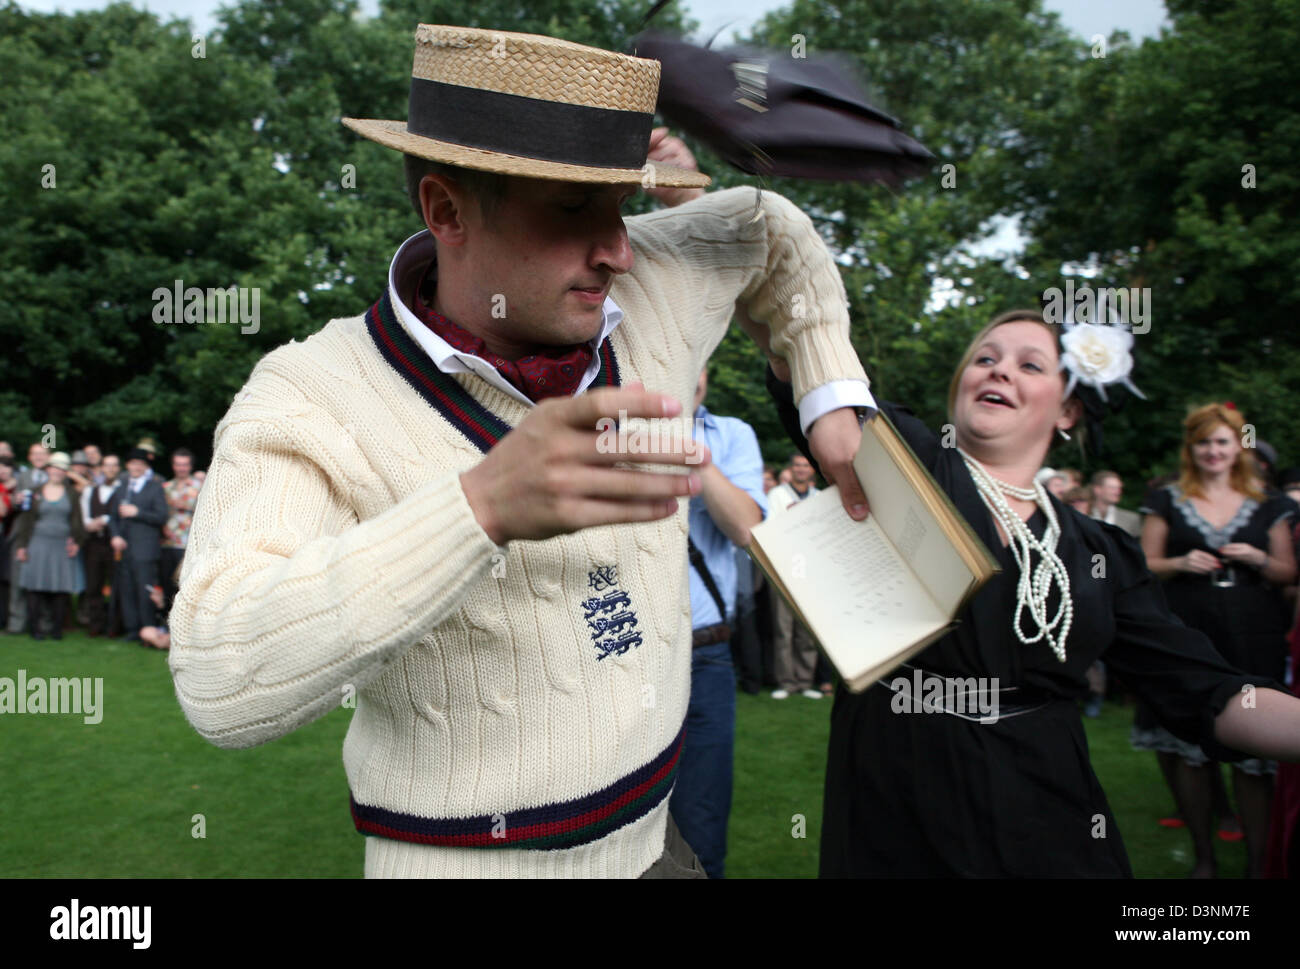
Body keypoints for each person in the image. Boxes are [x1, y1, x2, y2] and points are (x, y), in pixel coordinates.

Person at [168, 24, 873, 880]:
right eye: (574, 208)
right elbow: (217, 678)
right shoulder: (309, 393)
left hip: (661, 845)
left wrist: (831, 395)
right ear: (446, 209)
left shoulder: (650, 287)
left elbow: (772, 230)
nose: (618, 247)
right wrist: (479, 508)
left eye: (621, 202)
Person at [767, 309, 1300, 877]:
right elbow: (800, 351)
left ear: (1068, 408)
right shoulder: (908, 467)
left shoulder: (1102, 550)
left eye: (1030, 364)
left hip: (1045, 799)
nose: (1000, 373)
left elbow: (1205, 689)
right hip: (898, 782)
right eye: (985, 358)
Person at [1135, 402, 1296, 877]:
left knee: (1254, 758)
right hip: (1189, 629)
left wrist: (1257, 558)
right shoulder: (1167, 499)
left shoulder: (1271, 504)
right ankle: (1203, 857)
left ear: (1238, 446)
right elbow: (1145, 562)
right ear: (1192, 447)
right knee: (1192, 747)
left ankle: (1255, 865)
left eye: (1222, 441)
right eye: (1203, 441)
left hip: (1254, 632)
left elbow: (1289, 571)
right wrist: (1180, 565)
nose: (1213, 450)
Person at [673, 368, 766, 878]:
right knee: (607, 829)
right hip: (620, 658)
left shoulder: (731, 435)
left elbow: (749, 531)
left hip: (703, 660)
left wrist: (687, 447)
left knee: (699, 831)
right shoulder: (608, 428)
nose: (688, 366)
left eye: (697, 354)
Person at [767, 453, 823, 699]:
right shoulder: (778, 495)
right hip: (784, 566)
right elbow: (770, 527)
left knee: (807, 630)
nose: (801, 469)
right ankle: (786, 682)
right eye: (798, 465)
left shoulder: (819, 497)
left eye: (806, 465)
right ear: (792, 468)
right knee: (783, 628)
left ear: (812, 470)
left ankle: (804, 681)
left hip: (811, 570)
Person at [13, 452, 86, 640]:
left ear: (66, 472)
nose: (57, 471)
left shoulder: (71, 493)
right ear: (48, 469)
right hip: (37, 542)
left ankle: (57, 630)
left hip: (62, 544)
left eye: (62, 468)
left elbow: (77, 520)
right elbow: (26, 520)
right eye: (54, 467)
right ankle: (36, 630)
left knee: (61, 588)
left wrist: (76, 541)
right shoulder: (35, 491)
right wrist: (22, 546)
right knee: (34, 586)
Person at [109, 448, 168, 643]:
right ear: (128, 466)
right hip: (125, 549)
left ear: (145, 467)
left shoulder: (155, 487)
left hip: (146, 549)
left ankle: (148, 629)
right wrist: (116, 536)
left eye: (140, 464)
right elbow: (113, 517)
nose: (136, 467)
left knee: (145, 591)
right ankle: (132, 630)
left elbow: (161, 516)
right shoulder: (122, 486)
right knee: (127, 590)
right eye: (133, 463)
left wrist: (138, 512)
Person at [80, 453, 122, 638]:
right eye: (107, 465)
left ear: (118, 468)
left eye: (114, 465)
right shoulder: (91, 491)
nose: (110, 469)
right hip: (94, 543)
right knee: (93, 585)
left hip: (114, 544)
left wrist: (105, 520)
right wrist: (91, 524)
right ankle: (95, 624)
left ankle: (114, 626)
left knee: (116, 585)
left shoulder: (123, 489)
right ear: (102, 468)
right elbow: (84, 515)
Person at [160, 447, 200, 615]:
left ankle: (185, 619)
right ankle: (166, 620)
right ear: (173, 466)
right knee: (167, 584)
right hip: (167, 542)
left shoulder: (200, 487)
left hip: (188, 544)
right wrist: (162, 528)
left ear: (190, 466)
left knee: (184, 585)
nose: (181, 468)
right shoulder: (165, 487)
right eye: (178, 465)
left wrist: (185, 506)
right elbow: (159, 513)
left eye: (184, 465)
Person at [1090, 469, 1141, 537]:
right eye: (1112, 488)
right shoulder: (1082, 515)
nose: (1118, 492)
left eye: (1119, 488)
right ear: (1097, 489)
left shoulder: (1131, 519)